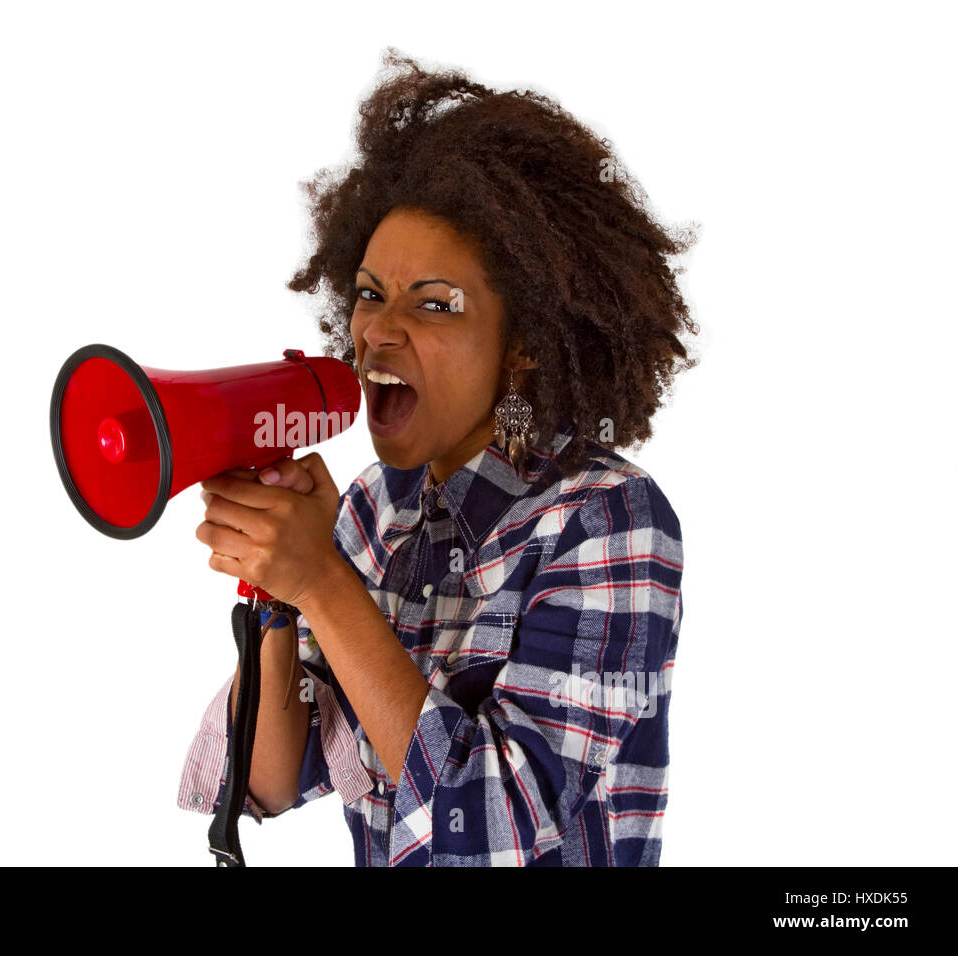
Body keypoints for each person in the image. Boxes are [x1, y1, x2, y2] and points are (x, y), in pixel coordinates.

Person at [177, 49, 697, 866]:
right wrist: (280, 594)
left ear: (522, 344)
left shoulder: (604, 519)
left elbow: (493, 828)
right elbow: (271, 782)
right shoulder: (369, 511)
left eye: (436, 304)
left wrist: (322, 580)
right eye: (370, 292)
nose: (379, 330)